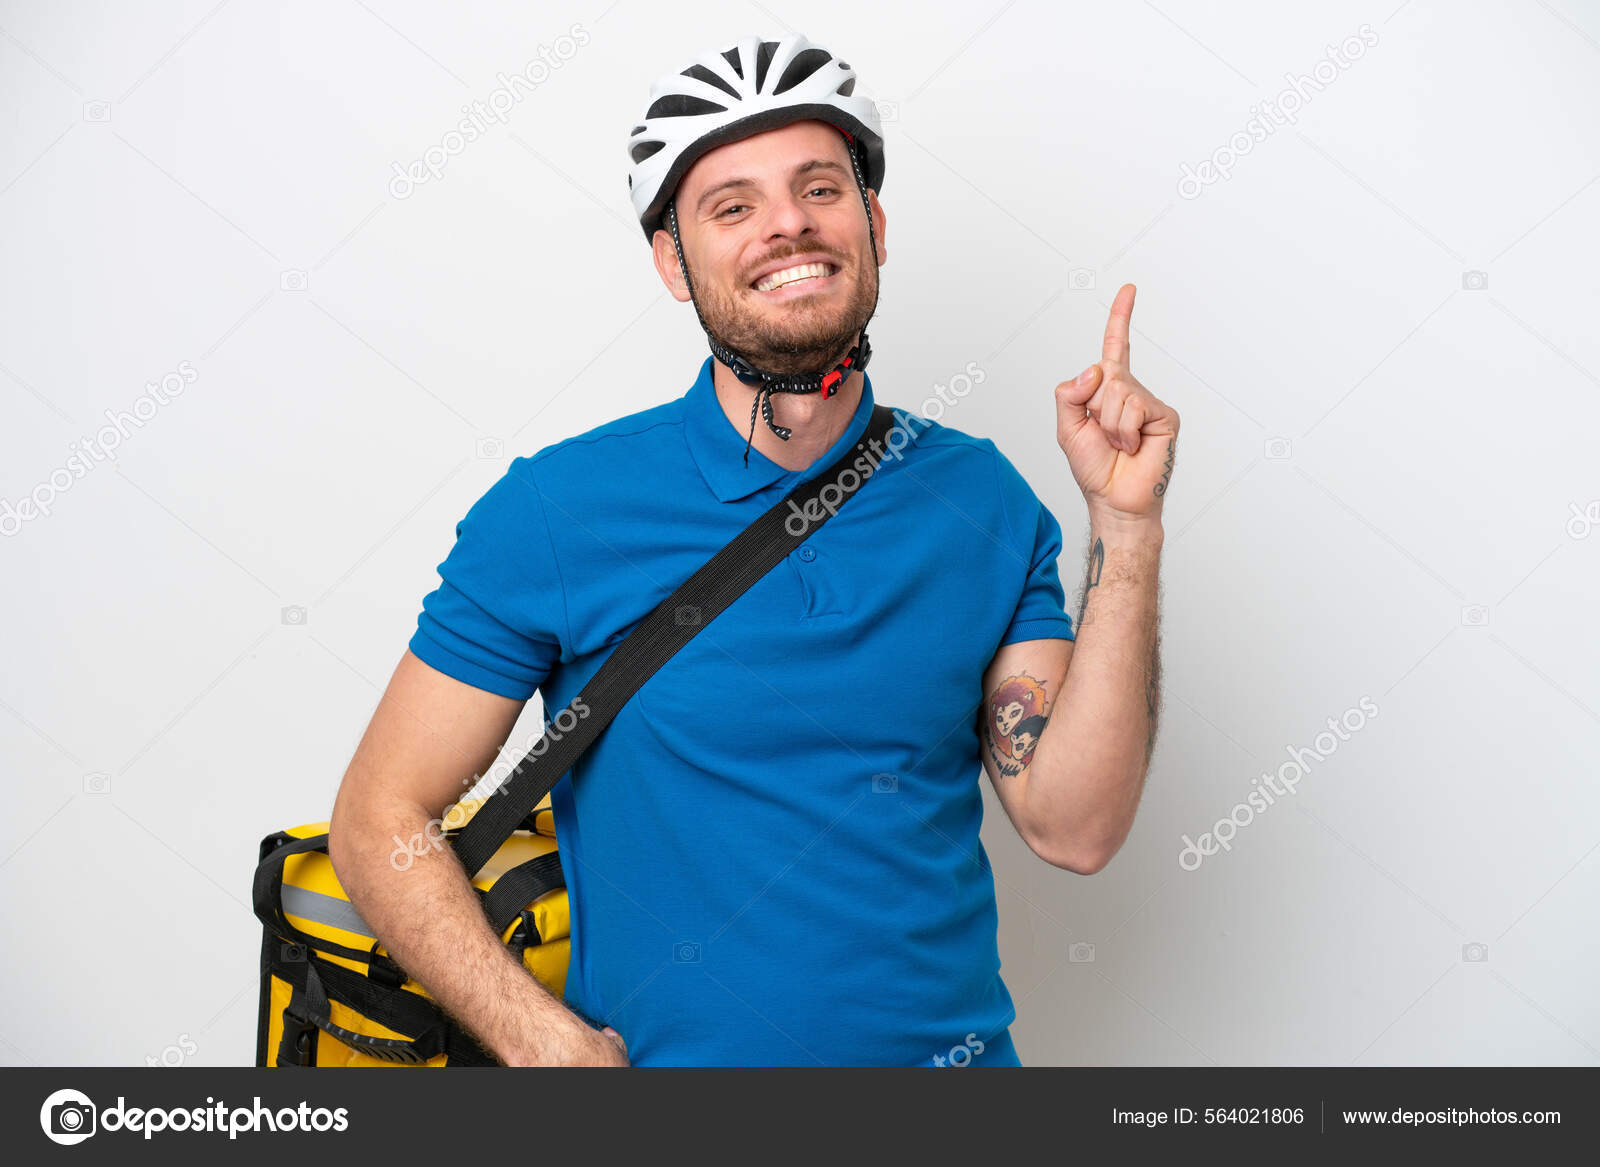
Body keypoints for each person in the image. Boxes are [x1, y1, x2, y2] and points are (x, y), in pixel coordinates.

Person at [328, 32, 1177, 1068]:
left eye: (819, 188)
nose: (787, 224)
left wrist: (1126, 529)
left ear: (871, 224)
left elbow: (1072, 828)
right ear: (673, 262)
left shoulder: (980, 496)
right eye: (732, 206)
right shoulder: (560, 508)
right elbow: (380, 816)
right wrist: (534, 1036)